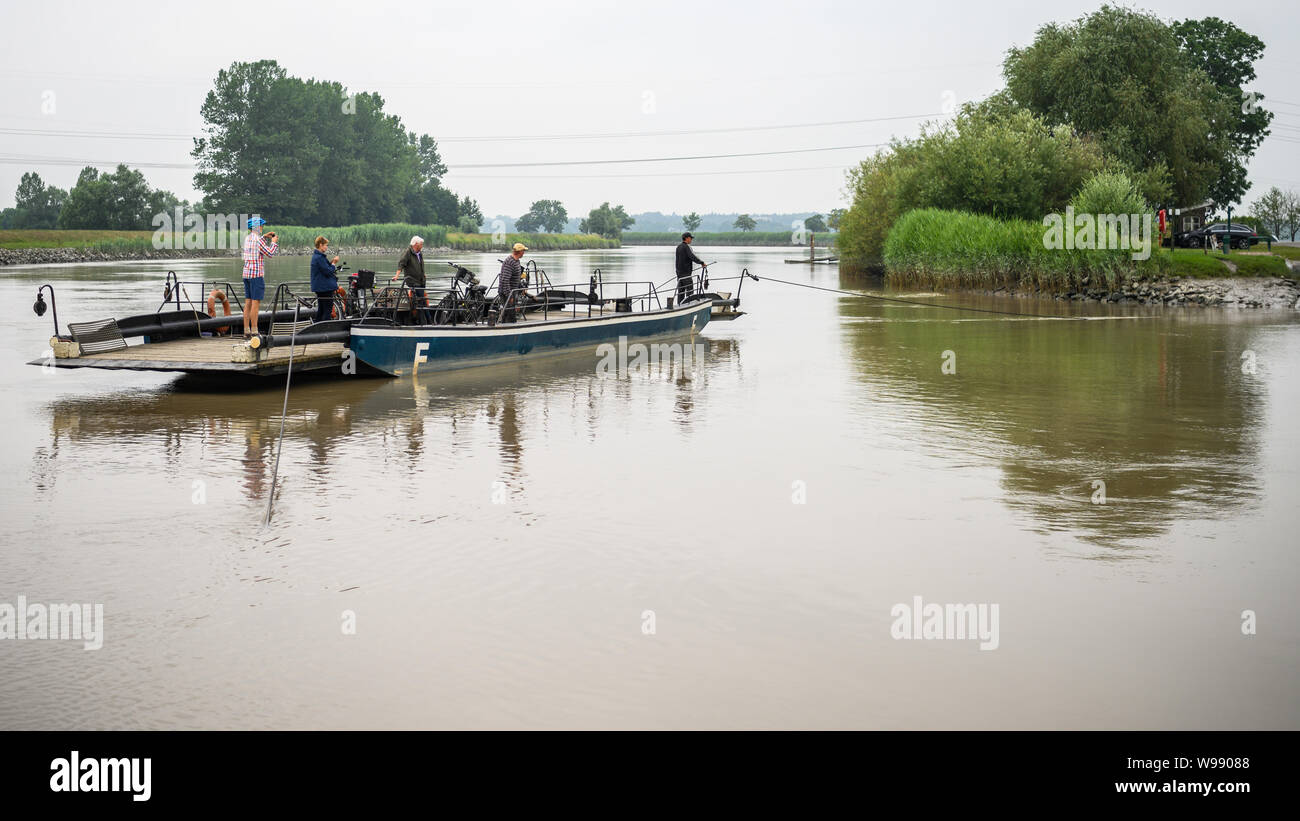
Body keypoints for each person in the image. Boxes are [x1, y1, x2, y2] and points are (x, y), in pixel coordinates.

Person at [241, 217, 278, 339]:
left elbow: (256, 246)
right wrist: (273, 242)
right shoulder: (258, 240)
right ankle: (255, 331)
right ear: (258, 227)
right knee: (256, 303)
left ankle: (246, 330)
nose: (262, 228)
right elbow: (270, 253)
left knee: (248, 302)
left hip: (246, 274)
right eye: (261, 226)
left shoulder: (248, 238)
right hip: (256, 275)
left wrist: (264, 237)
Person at [392, 235, 427, 323]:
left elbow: (420, 266)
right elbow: (401, 264)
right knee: (421, 302)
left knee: (422, 301)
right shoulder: (408, 252)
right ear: (416, 244)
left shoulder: (420, 253)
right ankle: (426, 321)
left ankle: (422, 320)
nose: (422, 246)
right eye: (421, 244)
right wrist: (397, 276)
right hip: (413, 282)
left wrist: (423, 274)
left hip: (421, 281)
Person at [310, 236, 341, 322]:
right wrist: (334, 263)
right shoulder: (319, 257)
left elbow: (324, 268)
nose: (326, 247)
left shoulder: (317, 256)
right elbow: (328, 272)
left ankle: (317, 326)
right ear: (321, 245)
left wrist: (331, 262)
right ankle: (325, 328)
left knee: (321, 310)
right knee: (327, 310)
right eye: (326, 245)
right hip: (324, 288)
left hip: (321, 288)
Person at [498, 242, 528, 323]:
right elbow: (505, 280)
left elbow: (516, 278)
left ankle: (507, 326)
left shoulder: (516, 261)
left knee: (510, 313)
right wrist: (509, 296)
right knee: (509, 314)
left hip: (513, 292)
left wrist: (522, 288)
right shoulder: (510, 262)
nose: (524, 253)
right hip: (507, 293)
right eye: (523, 251)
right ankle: (507, 329)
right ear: (519, 251)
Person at [675, 232, 706, 304]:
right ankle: (689, 306)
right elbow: (692, 256)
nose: (691, 239)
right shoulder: (686, 246)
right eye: (690, 238)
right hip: (686, 274)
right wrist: (701, 262)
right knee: (690, 291)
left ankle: (679, 305)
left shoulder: (678, 247)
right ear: (686, 238)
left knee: (681, 293)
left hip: (679, 274)